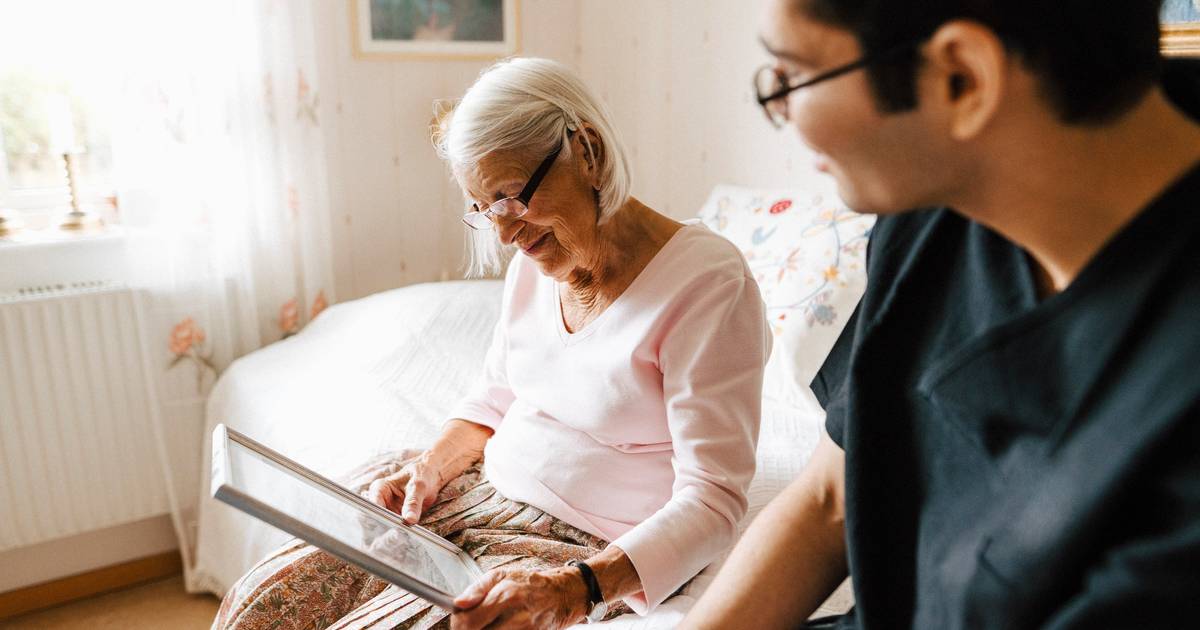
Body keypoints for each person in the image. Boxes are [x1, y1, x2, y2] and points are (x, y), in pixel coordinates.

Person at [684, 0, 1200, 628]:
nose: (780, 108)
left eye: (794, 74)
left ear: (962, 79)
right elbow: (831, 499)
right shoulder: (929, 210)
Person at [212, 57, 771, 630]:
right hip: (475, 496)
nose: (504, 234)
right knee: (263, 605)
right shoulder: (536, 266)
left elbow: (713, 501)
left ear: (588, 151)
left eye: (510, 197)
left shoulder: (707, 284)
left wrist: (576, 589)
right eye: (483, 209)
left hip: (574, 551)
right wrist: (431, 468)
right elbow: (493, 399)